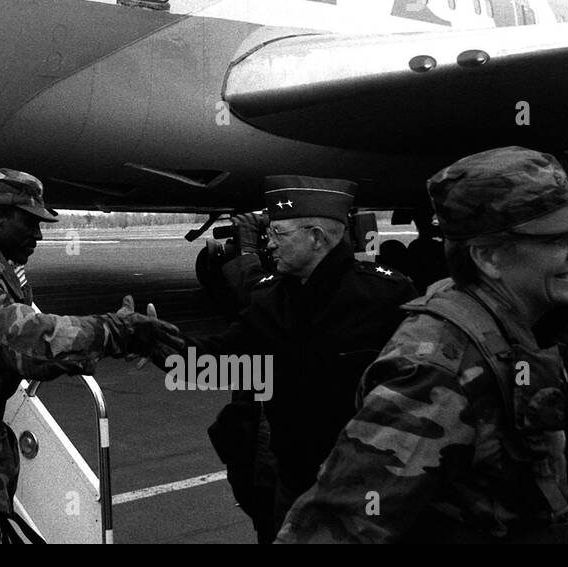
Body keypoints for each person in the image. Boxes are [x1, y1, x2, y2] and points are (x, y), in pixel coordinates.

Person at [279, 147, 568, 543]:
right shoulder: (437, 370)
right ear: (488, 257)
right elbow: (332, 531)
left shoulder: (521, 323)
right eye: (558, 239)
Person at [0, 169, 184, 544]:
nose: (38, 236)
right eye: (29, 223)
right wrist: (116, 332)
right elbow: (24, 341)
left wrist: (118, 341)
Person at [176, 176, 416, 540]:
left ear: (317, 238)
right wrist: (148, 341)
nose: (268, 243)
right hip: (293, 482)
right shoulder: (269, 300)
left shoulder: (386, 296)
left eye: (279, 234)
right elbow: (218, 363)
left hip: (368, 486)